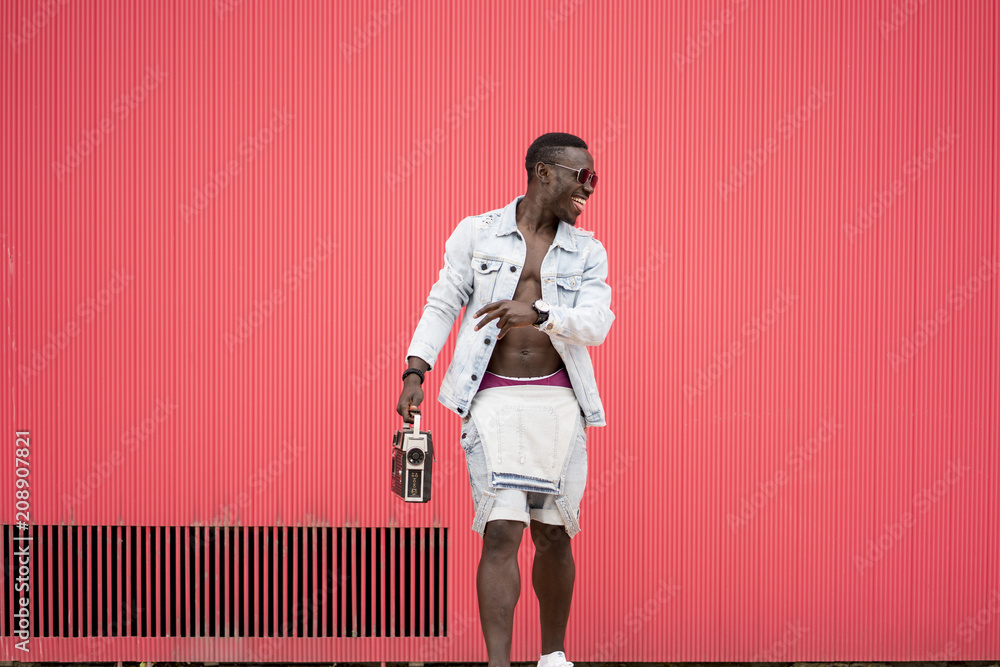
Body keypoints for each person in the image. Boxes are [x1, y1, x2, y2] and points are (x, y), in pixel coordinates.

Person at [395, 132, 614, 667]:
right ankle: (499, 665)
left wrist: (540, 314)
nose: (590, 187)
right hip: (491, 396)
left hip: (558, 400)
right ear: (544, 172)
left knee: (553, 534)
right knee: (501, 529)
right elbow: (443, 302)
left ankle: (553, 657)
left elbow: (597, 323)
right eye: (582, 176)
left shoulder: (588, 251)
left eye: (594, 179)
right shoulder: (477, 233)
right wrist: (416, 368)